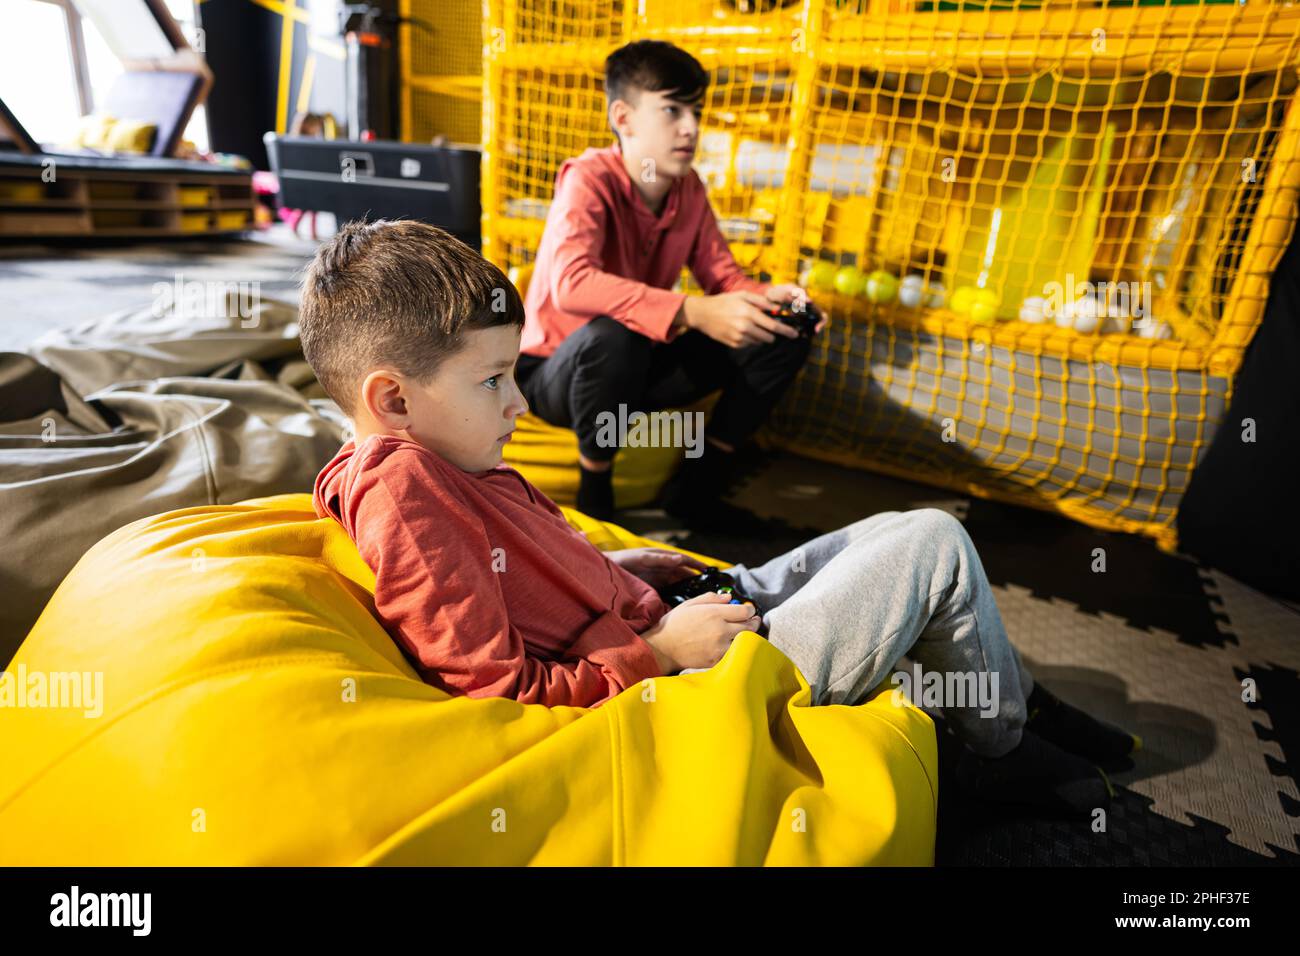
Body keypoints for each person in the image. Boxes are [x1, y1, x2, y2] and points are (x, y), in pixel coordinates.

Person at [301, 219, 1141, 818]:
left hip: (674, 615)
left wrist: (615, 571)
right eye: (493, 381)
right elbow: (501, 696)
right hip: (694, 677)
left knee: (896, 527)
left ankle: (1013, 695)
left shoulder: (437, 460)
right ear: (394, 399)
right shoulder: (404, 491)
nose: (520, 403)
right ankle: (999, 746)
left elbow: (516, 573)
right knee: (935, 542)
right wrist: (659, 652)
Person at [515, 40, 821, 532]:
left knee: (783, 332)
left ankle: (698, 490)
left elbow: (724, 278)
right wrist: (694, 312)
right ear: (625, 117)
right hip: (558, 374)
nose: (692, 128)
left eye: (696, 111)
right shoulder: (588, 178)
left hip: (638, 366)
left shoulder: (688, 188)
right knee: (616, 334)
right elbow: (572, 283)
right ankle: (598, 498)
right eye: (672, 110)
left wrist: (775, 297)